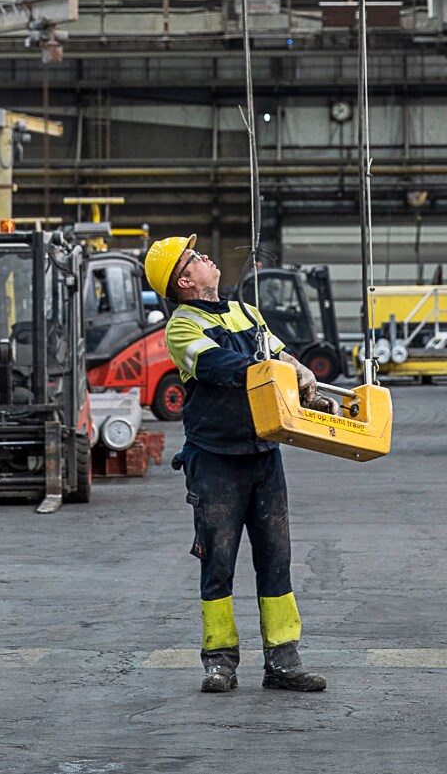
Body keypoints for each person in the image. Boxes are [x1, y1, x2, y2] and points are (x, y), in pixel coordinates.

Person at [144, 233, 328, 695]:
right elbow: (221, 367)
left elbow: (276, 353)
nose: (206, 256)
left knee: (276, 562)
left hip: (264, 453)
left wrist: (300, 370)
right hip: (215, 461)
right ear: (184, 279)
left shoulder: (246, 312)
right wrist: (277, 370)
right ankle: (220, 661)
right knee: (218, 563)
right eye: (195, 257)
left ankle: (283, 660)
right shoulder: (182, 327)